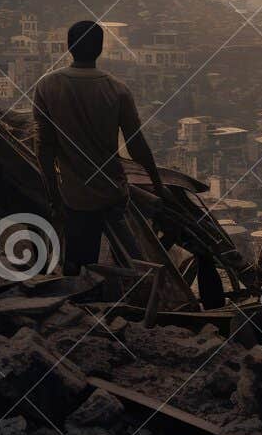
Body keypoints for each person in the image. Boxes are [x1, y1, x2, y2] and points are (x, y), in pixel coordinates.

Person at [33, 21, 168, 273]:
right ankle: (139, 296)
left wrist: (53, 194)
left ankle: (83, 302)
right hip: (113, 192)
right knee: (130, 258)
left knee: (80, 264)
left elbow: (44, 147)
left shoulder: (47, 86)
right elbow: (137, 145)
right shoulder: (117, 90)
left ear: (69, 47)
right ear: (101, 48)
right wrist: (157, 184)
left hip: (74, 196)